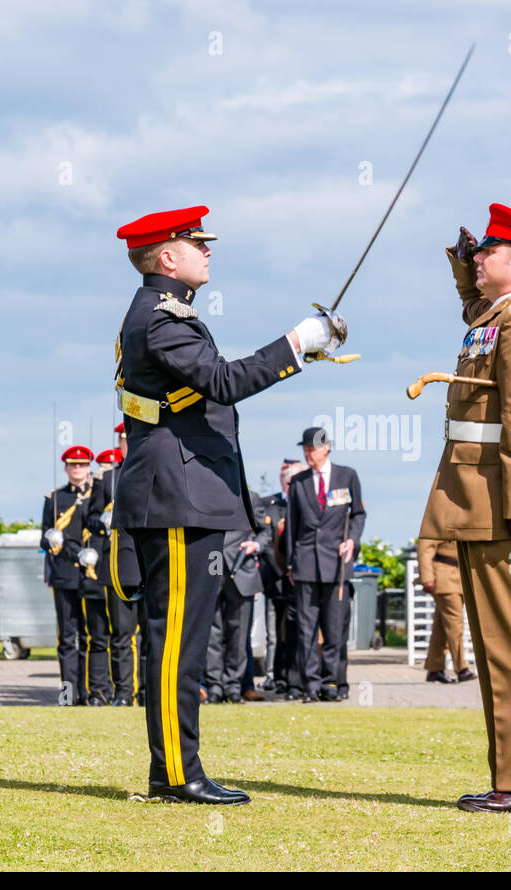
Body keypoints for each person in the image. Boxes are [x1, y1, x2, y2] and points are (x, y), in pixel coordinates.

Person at [111, 205, 344, 805]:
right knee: (176, 645)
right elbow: (222, 382)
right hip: (177, 497)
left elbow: (209, 384)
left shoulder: (166, 315)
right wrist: (298, 342)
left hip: (184, 493)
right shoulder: (161, 319)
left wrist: (303, 351)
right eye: (196, 243)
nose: (208, 251)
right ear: (167, 256)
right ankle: (176, 775)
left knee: (181, 642)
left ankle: (176, 770)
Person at [419, 204, 511, 813]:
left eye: (488, 254)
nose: (479, 258)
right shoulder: (499, 313)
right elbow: (475, 314)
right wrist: (464, 269)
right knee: (494, 645)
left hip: (504, 502)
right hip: (477, 498)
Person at [283, 427, 366, 703]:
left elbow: (358, 515)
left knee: (334, 628)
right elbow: (292, 527)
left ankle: (333, 683)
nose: (307, 454)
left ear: (326, 448)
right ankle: (310, 685)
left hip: (336, 563)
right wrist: (291, 565)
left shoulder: (347, 476)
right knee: (306, 629)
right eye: (304, 449)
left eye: (312, 449)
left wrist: (352, 541)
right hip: (305, 564)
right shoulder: (299, 482)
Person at [84, 438, 140, 706]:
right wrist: (104, 520)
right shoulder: (108, 478)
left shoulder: (157, 469)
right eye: (123, 439)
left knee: (154, 634)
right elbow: (90, 518)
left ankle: (150, 691)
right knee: (121, 634)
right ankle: (124, 692)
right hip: (119, 563)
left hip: (151, 561)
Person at [41, 445, 96, 706]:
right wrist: (50, 539)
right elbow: (45, 536)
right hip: (64, 574)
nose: (78, 469)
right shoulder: (55, 499)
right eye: (73, 465)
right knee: (66, 637)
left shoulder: (98, 495)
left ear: (89, 467)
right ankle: (68, 694)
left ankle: (88, 693)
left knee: (90, 635)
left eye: (82, 465)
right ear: (66, 468)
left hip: (92, 573)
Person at [204, 489, 271, 703]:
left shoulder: (250, 497)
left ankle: (233, 686)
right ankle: (214, 686)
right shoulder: (204, 494)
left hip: (241, 569)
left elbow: (265, 531)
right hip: (211, 567)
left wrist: (255, 544)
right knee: (211, 635)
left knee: (239, 634)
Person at [260, 459, 303, 696]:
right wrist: (283, 570)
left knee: (296, 630)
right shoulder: (270, 504)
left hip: (300, 578)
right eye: (287, 479)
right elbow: (266, 542)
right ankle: (276, 677)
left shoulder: (304, 503)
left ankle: (294, 677)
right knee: (276, 633)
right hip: (276, 578)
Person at [416, 536, 476, 683]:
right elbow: (425, 547)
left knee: (441, 628)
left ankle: (435, 669)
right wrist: (426, 577)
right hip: (444, 578)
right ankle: (461, 669)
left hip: (457, 577)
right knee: (455, 625)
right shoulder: (442, 516)